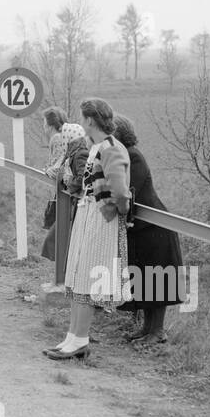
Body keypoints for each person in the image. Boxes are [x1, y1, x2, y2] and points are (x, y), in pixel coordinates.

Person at [43, 98, 130, 361]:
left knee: (89, 278)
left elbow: (120, 191)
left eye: (83, 119)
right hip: (87, 214)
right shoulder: (97, 146)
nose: (81, 123)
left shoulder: (111, 149)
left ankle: (80, 339)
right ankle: (74, 336)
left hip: (100, 219)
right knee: (79, 274)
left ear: (90, 120)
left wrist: (118, 210)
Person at [113, 114, 184, 345]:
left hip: (155, 228)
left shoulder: (133, 157)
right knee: (144, 279)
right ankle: (147, 328)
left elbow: (127, 189)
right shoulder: (125, 155)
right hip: (141, 229)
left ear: (118, 134)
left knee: (158, 280)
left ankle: (158, 331)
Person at [39, 107, 89, 261]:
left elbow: (79, 178)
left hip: (74, 200)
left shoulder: (78, 153)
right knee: (60, 237)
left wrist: (67, 180)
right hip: (72, 199)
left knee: (60, 238)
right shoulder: (75, 153)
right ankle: (61, 272)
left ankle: (61, 274)